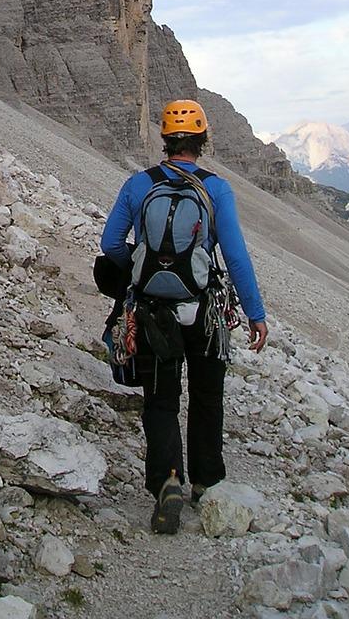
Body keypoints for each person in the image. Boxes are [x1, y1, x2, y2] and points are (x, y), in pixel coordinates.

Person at [99, 98, 268, 534]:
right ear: (202, 140)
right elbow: (234, 254)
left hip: (154, 310)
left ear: (165, 139)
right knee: (207, 396)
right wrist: (255, 312)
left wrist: (141, 271)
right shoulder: (216, 189)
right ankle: (207, 481)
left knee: (160, 399)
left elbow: (111, 243)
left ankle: (167, 480)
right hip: (205, 310)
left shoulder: (139, 185)